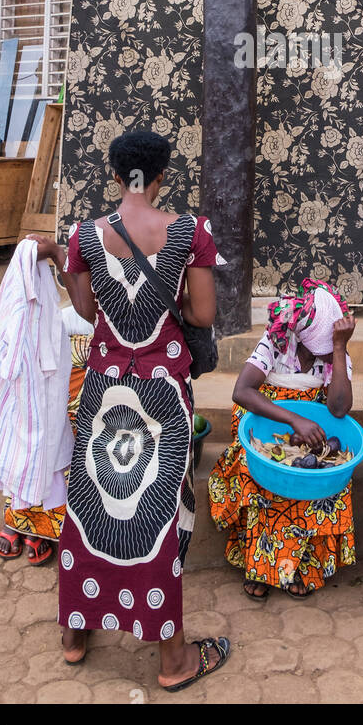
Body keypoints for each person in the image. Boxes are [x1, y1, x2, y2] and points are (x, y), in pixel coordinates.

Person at [33, 129, 230, 692]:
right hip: (162, 390)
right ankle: (173, 660)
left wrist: (57, 258)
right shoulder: (190, 233)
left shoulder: (82, 237)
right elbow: (203, 313)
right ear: (163, 174)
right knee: (155, 514)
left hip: (104, 386)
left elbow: (87, 308)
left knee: (91, 502)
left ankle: (75, 634)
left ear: (115, 176)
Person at [208, 279, 356, 599]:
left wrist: (341, 348)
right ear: (303, 336)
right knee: (263, 478)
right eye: (326, 345)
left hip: (313, 426)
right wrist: (293, 419)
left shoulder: (336, 355)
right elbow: (242, 391)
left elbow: (340, 408)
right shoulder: (276, 340)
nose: (328, 353)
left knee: (321, 481)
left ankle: (301, 565)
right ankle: (262, 566)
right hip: (265, 422)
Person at [0, 306, 94, 565]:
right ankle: (21, 517)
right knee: (38, 426)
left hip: (105, 355)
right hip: (60, 346)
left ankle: (42, 523)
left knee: (79, 439)